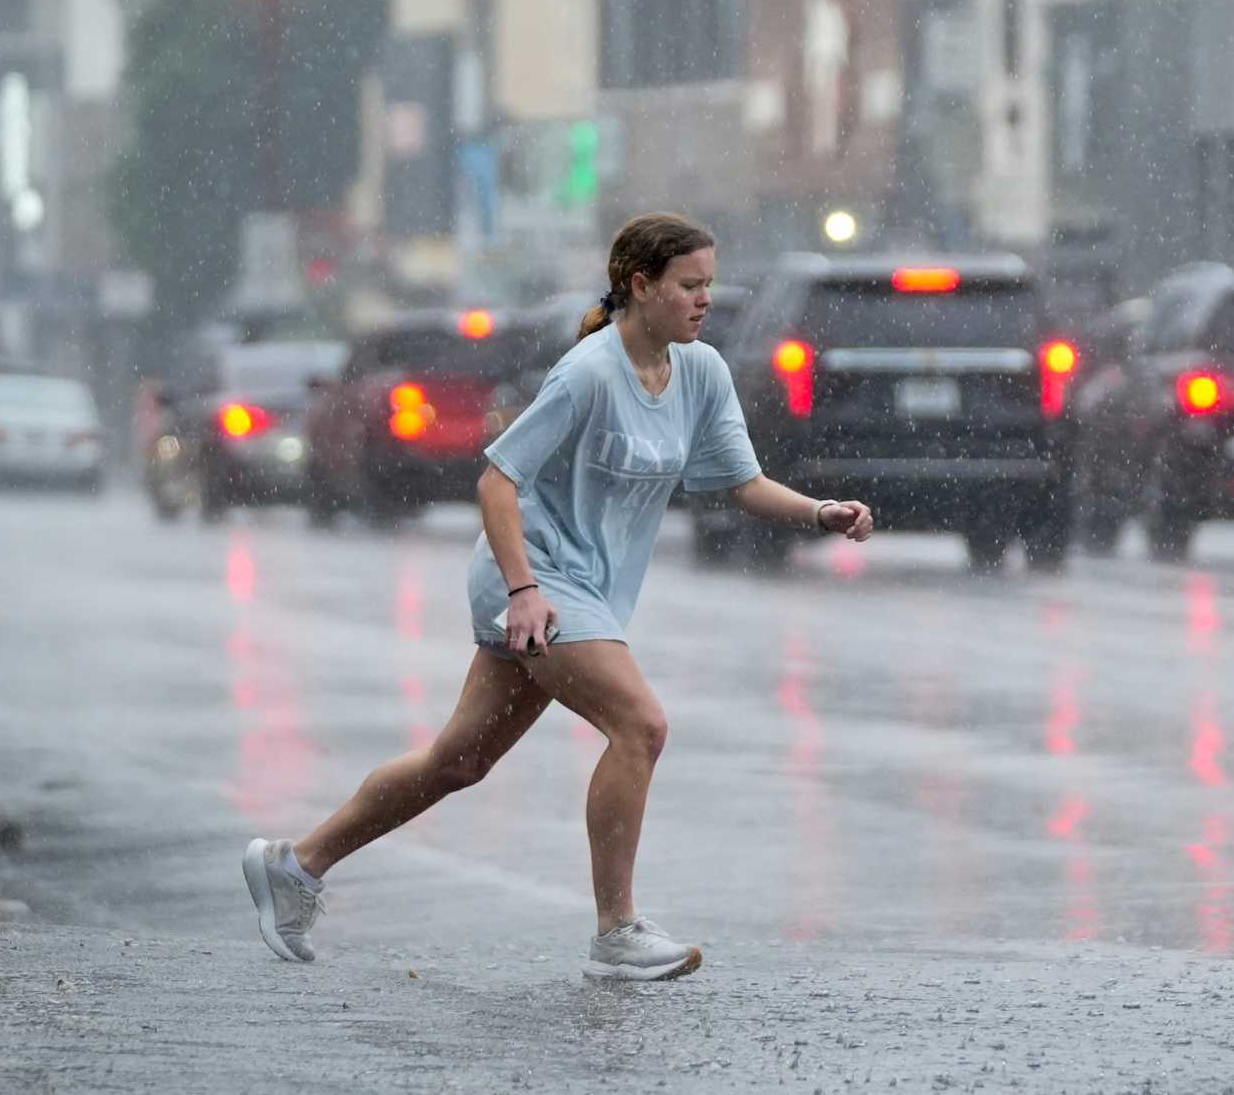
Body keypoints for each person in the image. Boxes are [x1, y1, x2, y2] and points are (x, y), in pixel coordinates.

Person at [243, 213, 875, 980]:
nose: (705, 298)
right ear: (641, 287)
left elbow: (741, 483)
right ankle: (616, 931)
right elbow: (496, 481)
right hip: (533, 582)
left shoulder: (701, 371)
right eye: (690, 285)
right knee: (640, 725)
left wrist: (819, 512)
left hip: (588, 593)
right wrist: (523, 590)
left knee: (456, 760)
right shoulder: (587, 373)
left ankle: (297, 864)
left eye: (709, 283)